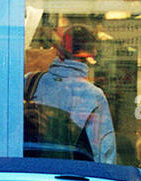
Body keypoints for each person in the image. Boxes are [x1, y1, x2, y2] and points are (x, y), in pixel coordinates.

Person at [26, 25, 116, 164]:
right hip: (71, 176)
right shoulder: (94, 96)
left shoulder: (30, 82)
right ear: (91, 54)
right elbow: (103, 151)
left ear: (59, 52)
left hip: (24, 171)